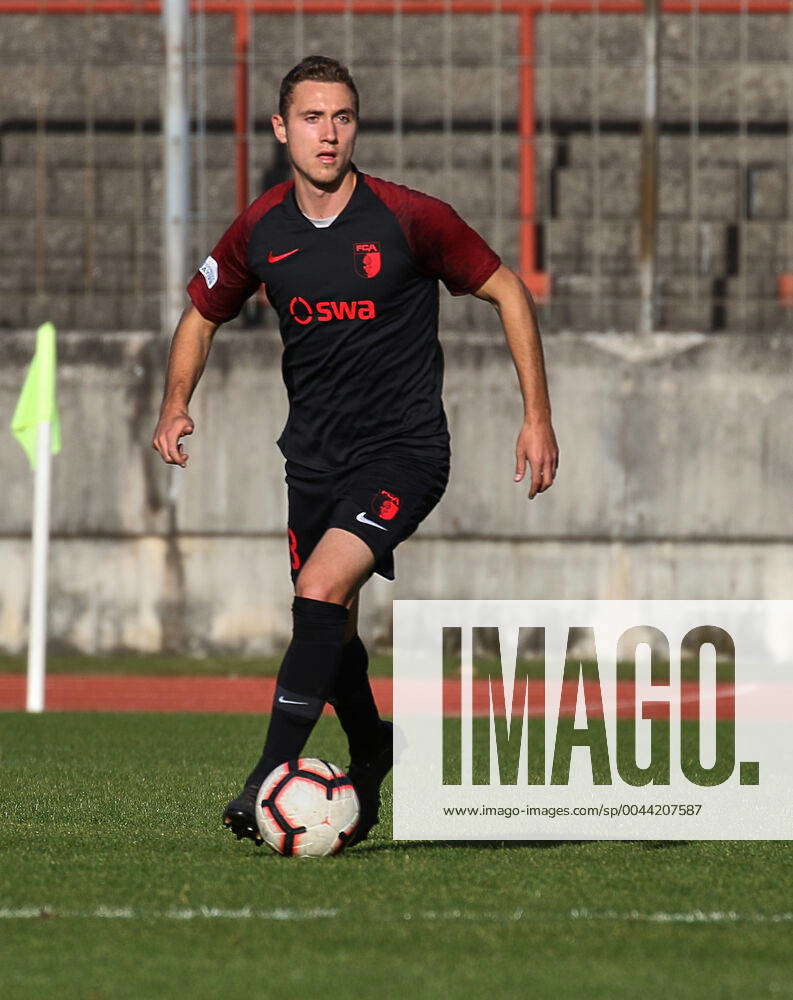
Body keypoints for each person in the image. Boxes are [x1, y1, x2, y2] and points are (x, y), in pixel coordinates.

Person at [152, 54, 559, 848]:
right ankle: (373, 745)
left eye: (341, 117)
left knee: (319, 584)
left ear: (355, 126)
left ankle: (264, 781)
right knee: (327, 626)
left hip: (404, 451)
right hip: (311, 459)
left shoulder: (409, 218)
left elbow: (508, 289)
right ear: (281, 129)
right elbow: (201, 313)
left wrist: (535, 416)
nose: (327, 133)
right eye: (310, 118)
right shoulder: (261, 228)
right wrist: (175, 404)